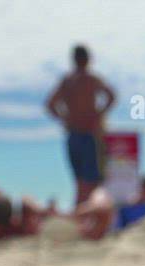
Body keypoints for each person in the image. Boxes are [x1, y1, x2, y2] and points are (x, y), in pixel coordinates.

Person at [46, 44, 116, 206]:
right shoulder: (92, 79)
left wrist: (66, 119)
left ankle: (80, 217)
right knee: (93, 183)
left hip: (73, 134)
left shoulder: (67, 81)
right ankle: (89, 219)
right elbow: (112, 96)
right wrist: (98, 115)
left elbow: (50, 105)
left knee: (79, 182)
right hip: (90, 133)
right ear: (88, 59)